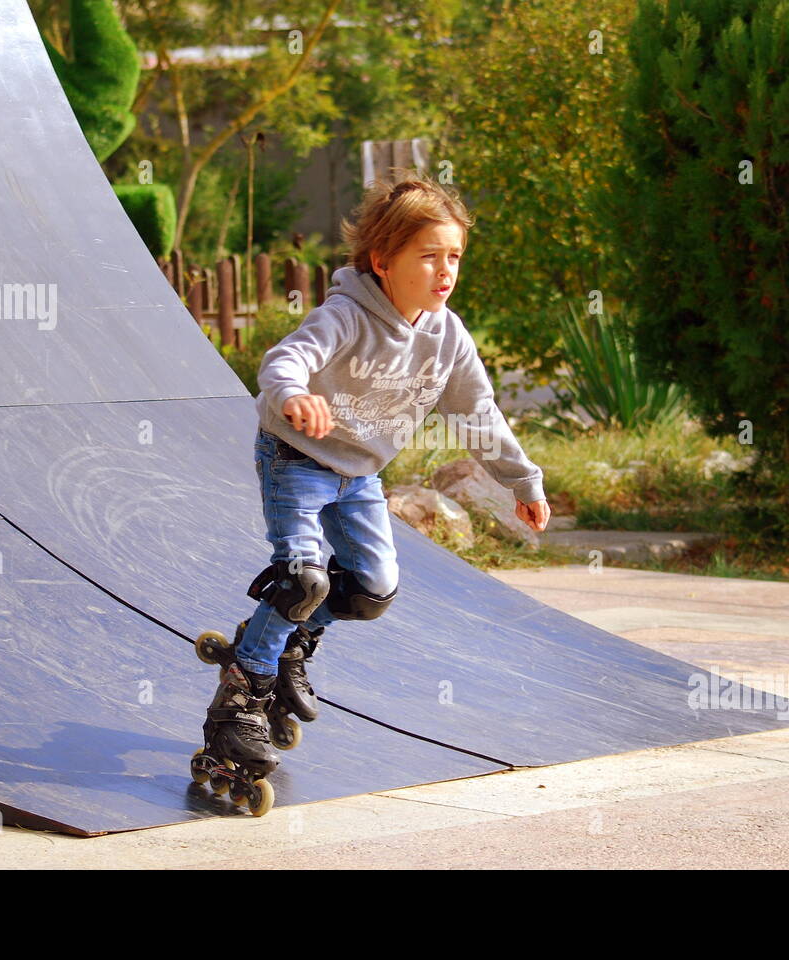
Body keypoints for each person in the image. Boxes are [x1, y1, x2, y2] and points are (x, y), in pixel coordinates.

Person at [200, 176, 551, 779]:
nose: (446, 271)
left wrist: (523, 480)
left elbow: (478, 413)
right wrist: (292, 395)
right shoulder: (344, 315)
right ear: (384, 261)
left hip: (359, 475)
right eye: (429, 256)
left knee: (371, 589)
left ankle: (285, 644)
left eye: (455, 256)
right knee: (301, 580)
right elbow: (287, 359)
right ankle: (240, 700)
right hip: (297, 461)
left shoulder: (448, 336)